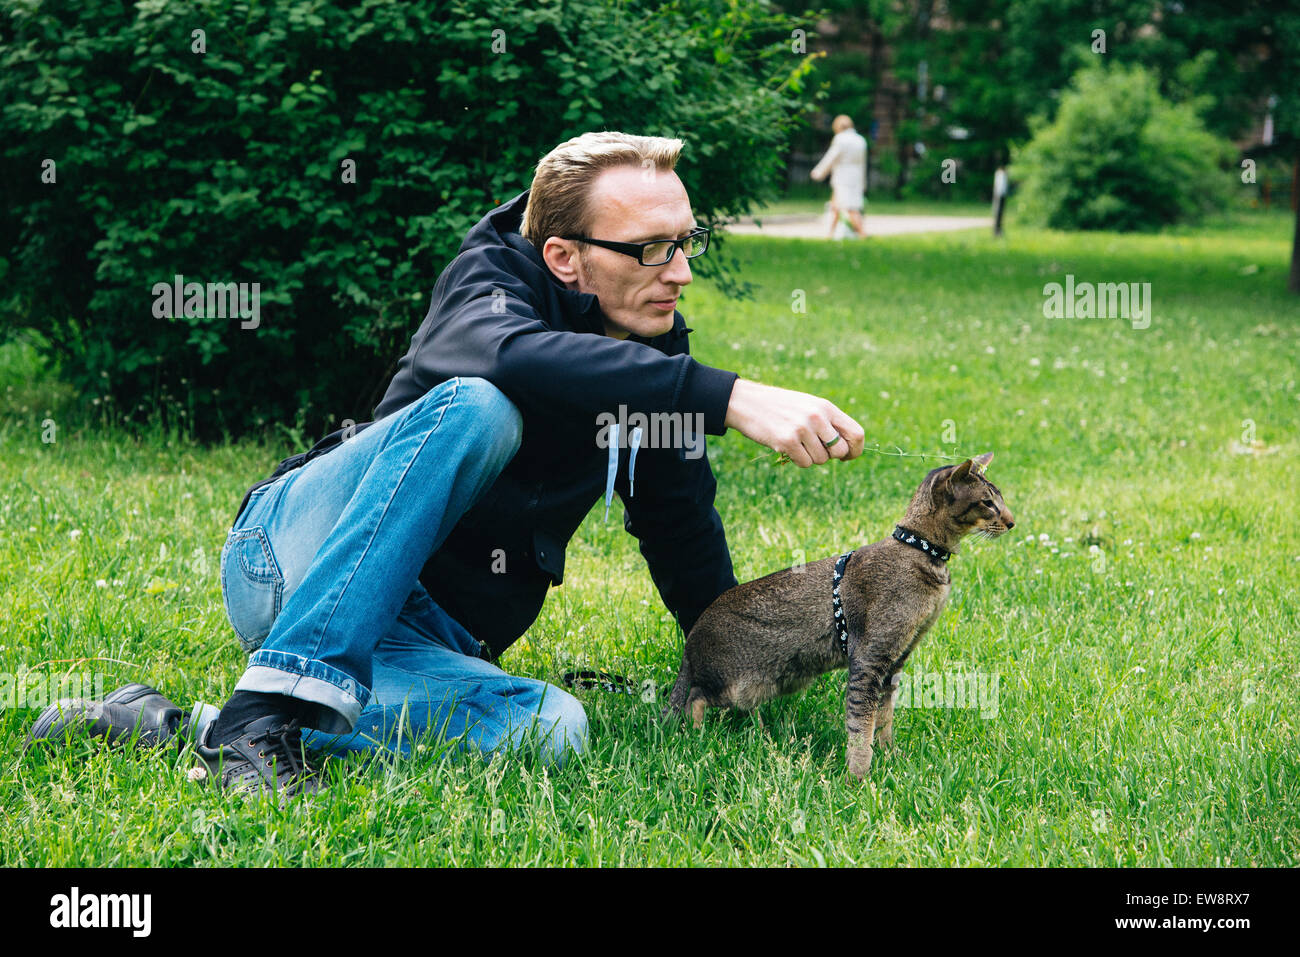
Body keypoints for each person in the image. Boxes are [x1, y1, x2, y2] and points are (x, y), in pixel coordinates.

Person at [30, 132, 866, 798]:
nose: (679, 271)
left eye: (686, 243)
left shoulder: (653, 352)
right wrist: (728, 396)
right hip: (296, 555)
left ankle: (182, 725)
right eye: (651, 249)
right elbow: (507, 359)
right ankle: (268, 706)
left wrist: (729, 666)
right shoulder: (492, 282)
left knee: (555, 730)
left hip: (433, 638)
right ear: (565, 258)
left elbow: (680, 526)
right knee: (481, 405)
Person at [810, 115, 869, 238]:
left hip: (843, 178)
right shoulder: (860, 140)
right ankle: (830, 234)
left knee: (851, 208)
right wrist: (863, 183)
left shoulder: (840, 139)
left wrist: (818, 172)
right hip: (856, 178)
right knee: (835, 206)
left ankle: (862, 234)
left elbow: (830, 158)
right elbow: (863, 163)